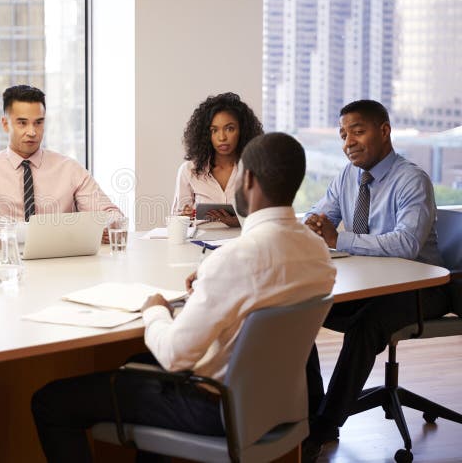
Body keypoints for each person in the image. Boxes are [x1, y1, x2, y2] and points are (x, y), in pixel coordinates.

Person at [31, 133, 335, 463]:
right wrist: (211, 285)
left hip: (215, 407)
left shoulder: (234, 259)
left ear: (247, 179)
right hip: (276, 404)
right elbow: (266, 295)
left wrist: (155, 311)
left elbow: (175, 357)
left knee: (51, 402)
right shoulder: (317, 252)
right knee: (135, 366)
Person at [302, 99, 451, 460]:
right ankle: (315, 411)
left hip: (422, 288)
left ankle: (324, 427)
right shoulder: (346, 176)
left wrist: (339, 238)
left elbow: (406, 244)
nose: (348, 142)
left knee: (367, 324)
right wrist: (314, 223)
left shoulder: (411, 179)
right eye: (343, 135)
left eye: (357, 131)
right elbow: (319, 213)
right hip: (369, 282)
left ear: (384, 131)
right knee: (300, 311)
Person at [0, 84, 121, 247]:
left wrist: (106, 225)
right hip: (6, 261)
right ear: (5, 124)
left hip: (62, 263)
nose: (32, 132)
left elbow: (112, 214)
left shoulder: (69, 169)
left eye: (38, 122)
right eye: (22, 123)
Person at [172, 92, 263, 227]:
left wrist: (239, 222)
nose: (222, 137)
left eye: (229, 128)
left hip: (242, 242)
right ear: (206, 134)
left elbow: (266, 218)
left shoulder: (255, 169)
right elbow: (176, 223)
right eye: (214, 130)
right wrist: (184, 217)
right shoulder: (189, 170)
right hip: (199, 244)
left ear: (242, 130)